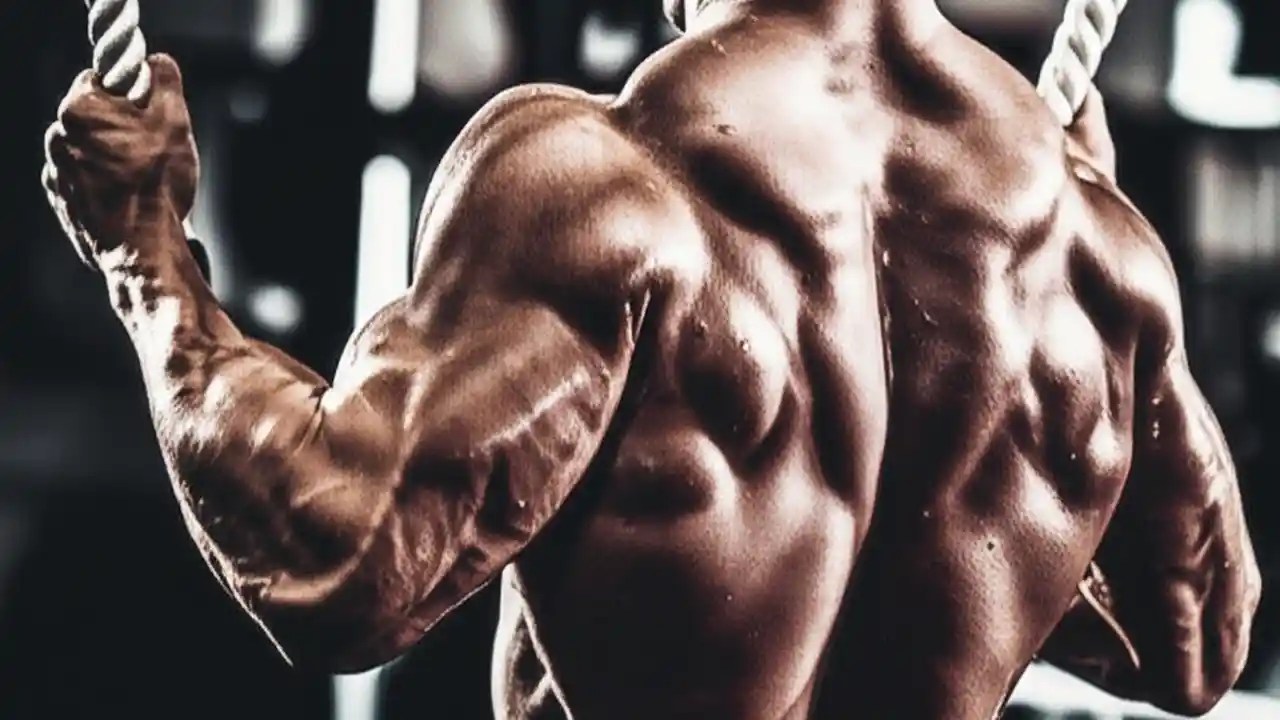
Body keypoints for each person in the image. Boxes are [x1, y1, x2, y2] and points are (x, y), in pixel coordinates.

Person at [42, 0, 1262, 717]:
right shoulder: (1097, 255)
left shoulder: (612, 186)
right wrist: (934, 536)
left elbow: (343, 562)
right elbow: (1195, 642)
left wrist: (145, 256)